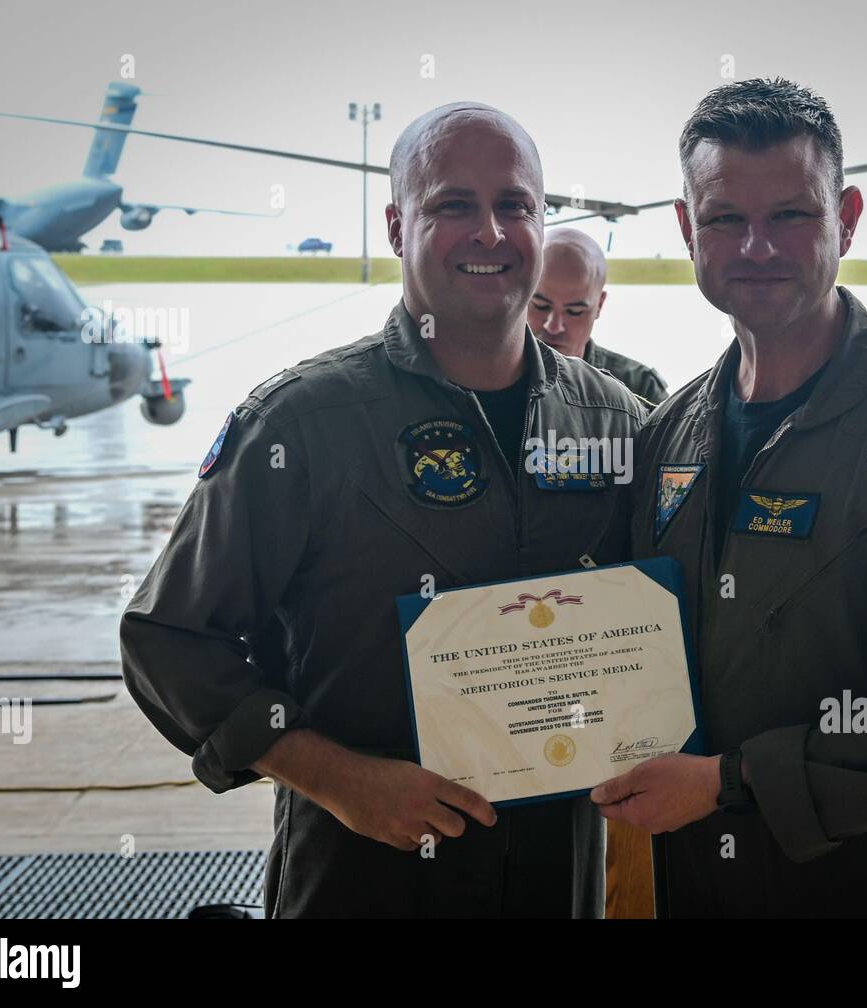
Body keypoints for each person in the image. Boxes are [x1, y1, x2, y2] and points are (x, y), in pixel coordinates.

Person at [120, 102, 645, 918]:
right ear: (398, 226)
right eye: (452, 205)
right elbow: (169, 638)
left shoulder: (616, 422)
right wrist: (338, 778)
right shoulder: (304, 424)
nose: (491, 232)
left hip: (556, 872)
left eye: (515, 205)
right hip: (364, 873)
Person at [590, 78, 867, 918]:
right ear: (688, 229)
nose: (756, 246)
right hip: (703, 882)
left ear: (848, 216)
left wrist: (731, 781)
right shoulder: (671, 434)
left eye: (791, 215)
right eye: (725, 219)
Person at [530, 228, 669, 403]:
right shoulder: (490, 376)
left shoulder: (639, 388)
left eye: (574, 311)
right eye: (541, 306)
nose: (554, 325)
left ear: (600, 305)